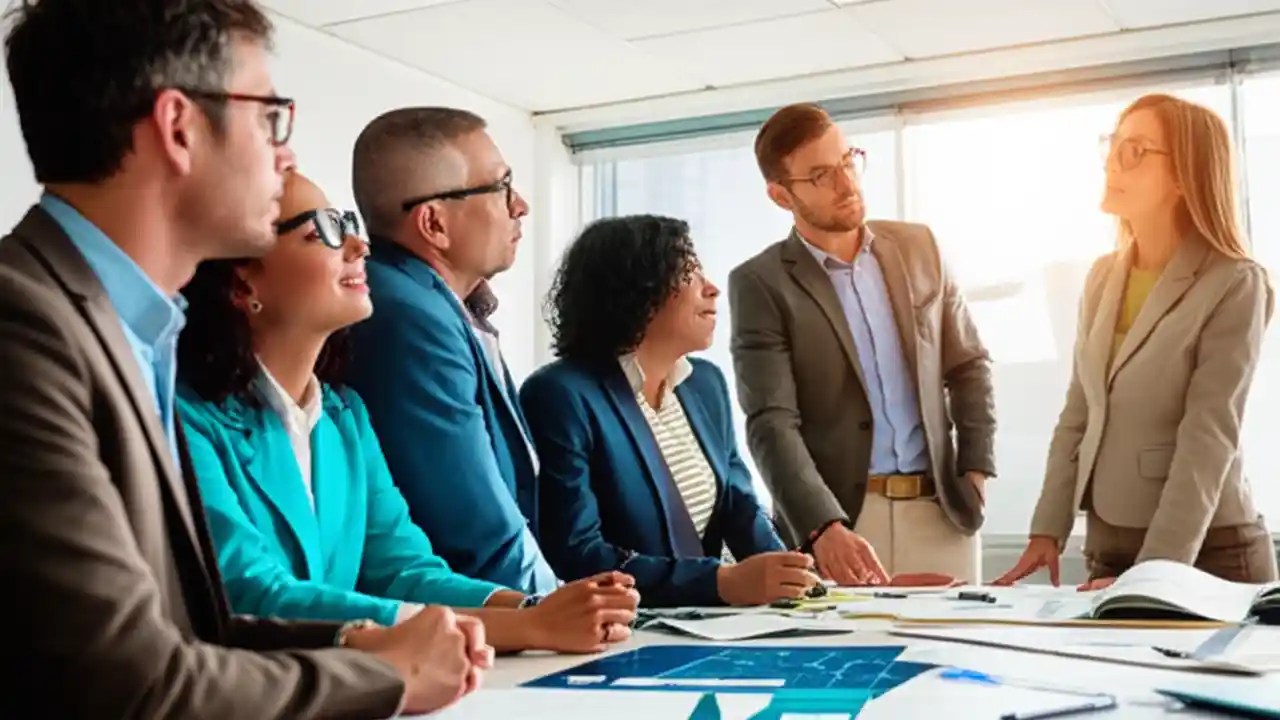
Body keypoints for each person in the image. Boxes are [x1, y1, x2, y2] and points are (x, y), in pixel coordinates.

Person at [0, 1, 487, 717]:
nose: (285, 154)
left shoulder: (125, 329)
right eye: (270, 119)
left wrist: (359, 641)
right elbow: (125, 679)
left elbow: (186, 627)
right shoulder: (24, 326)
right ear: (178, 128)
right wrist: (389, 678)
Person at [176, 170, 638, 653]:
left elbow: (402, 571)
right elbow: (255, 595)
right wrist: (524, 629)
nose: (359, 246)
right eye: (324, 231)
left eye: (348, 224)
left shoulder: (342, 416)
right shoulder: (187, 419)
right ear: (240, 281)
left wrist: (533, 608)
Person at [997, 94, 1278, 590]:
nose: (1111, 162)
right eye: (1112, 145)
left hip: (1205, 552)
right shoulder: (1103, 277)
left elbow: (1208, 438)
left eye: (1135, 150)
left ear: (1182, 175)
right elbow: (1079, 412)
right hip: (1110, 545)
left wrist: (1151, 579)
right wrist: (1047, 529)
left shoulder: (1235, 282)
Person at [729, 103, 996, 586]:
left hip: (940, 511)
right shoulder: (760, 282)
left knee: (953, 656)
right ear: (780, 195)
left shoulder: (921, 247)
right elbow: (771, 421)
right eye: (821, 175)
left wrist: (976, 469)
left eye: (849, 161)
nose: (847, 184)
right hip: (842, 524)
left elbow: (969, 364)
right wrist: (821, 525)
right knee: (844, 661)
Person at [520, 215, 820, 607]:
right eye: (689, 274)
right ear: (638, 289)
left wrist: (795, 579)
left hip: (715, 625)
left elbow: (741, 508)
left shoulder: (705, 383)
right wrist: (719, 582)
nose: (712, 289)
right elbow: (578, 553)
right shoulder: (561, 395)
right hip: (625, 630)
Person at [346, 107, 557, 595]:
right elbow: (476, 531)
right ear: (434, 223)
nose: (520, 205)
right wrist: (551, 613)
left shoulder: (444, 304)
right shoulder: (408, 314)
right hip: (459, 625)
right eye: (502, 186)